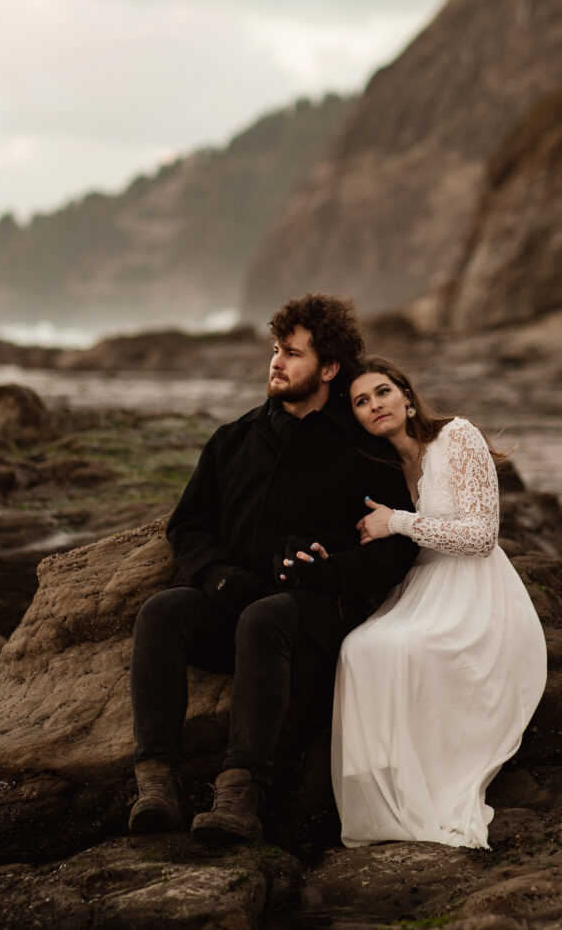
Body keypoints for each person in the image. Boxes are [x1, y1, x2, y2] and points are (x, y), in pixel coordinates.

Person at [128, 295, 419, 845]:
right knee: (161, 612)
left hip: (312, 620)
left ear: (329, 369)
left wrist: (331, 574)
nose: (276, 363)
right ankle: (155, 787)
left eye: (292, 353)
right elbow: (187, 526)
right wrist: (213, 574)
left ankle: (239, 797)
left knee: (266, 619)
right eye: (275, 350)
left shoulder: (364, 451)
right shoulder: (232, 439)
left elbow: (394, 549)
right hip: (230, 600)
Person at [330, 356, 547, 848]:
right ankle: (394, 794)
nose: (374, 406)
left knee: (414, 650)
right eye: (361, 402)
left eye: (382, 392)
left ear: (406, 397)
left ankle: (437, 789)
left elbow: (483, 537)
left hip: (475, 586)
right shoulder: (378, 467)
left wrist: (399, 521)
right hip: (421, 586)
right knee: (360, 650)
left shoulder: (458, 437)